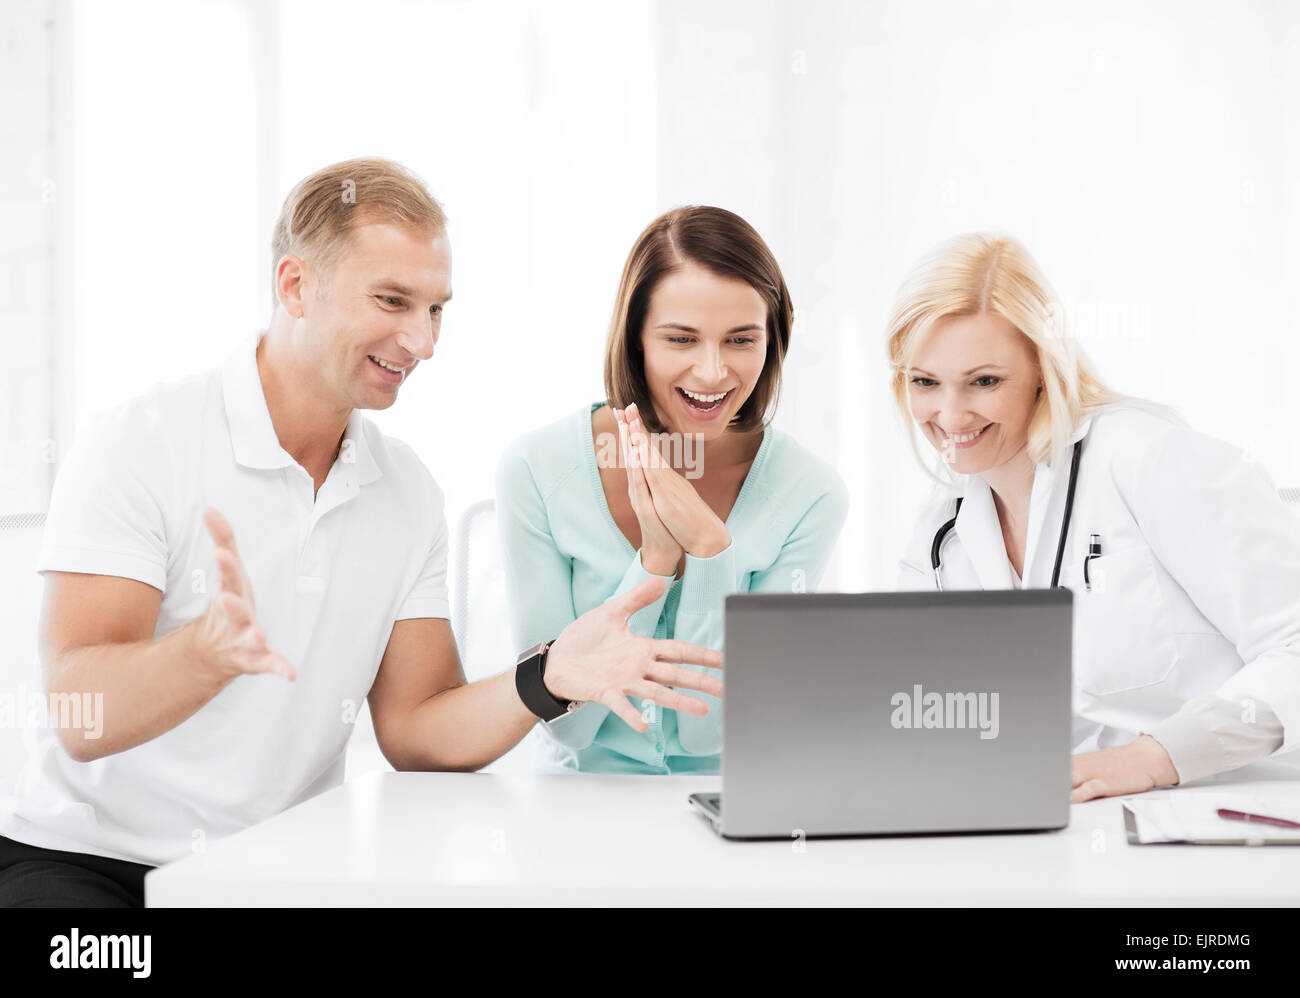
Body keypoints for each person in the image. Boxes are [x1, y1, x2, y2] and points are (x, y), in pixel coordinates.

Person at [0, 158, 722, 907]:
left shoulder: (405, 491)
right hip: (84, 862)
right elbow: (78, 715)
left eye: (437, 309)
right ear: (294, 286)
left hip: (276, 868)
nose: (424, 340)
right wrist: (202, 655)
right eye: (392, 301)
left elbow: (414, 730)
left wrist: (551, 677)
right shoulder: (142, 442)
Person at [889, 231, 1300, 801]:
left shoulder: (1147, 460)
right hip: (1068, 824)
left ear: (1042, 365)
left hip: (1234, 809)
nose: (950, 413)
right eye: (925, 382)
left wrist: (1159, 757)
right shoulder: (943, 530)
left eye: (985, 381)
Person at [496, 205, 849, 774]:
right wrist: (656, 564)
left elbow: (713, 735)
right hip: (575, 809)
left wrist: (711, 551)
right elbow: (568, 725)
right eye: (681, 339)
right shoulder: (536, 469)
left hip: (729, 803)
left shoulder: (811, 494)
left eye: (740, 340)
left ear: (773, 339)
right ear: (636, 338)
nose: (712, 373)